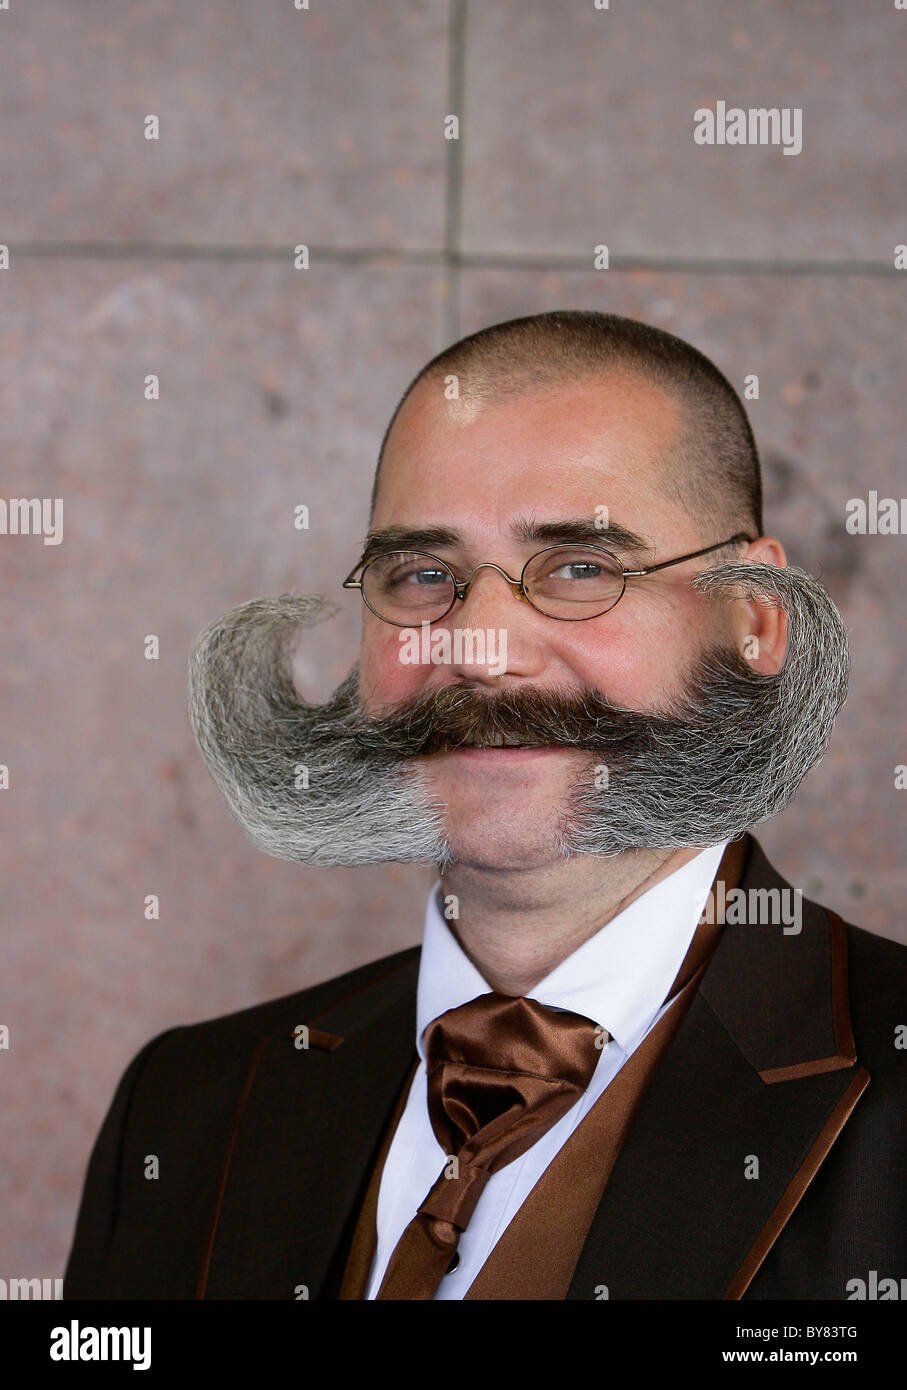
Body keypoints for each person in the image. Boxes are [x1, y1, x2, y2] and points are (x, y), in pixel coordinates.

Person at [64, 310, 905, 1300]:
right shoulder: (187, 1105)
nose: (480, 646)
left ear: (753, 618)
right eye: (424, 575)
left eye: (581, 568)